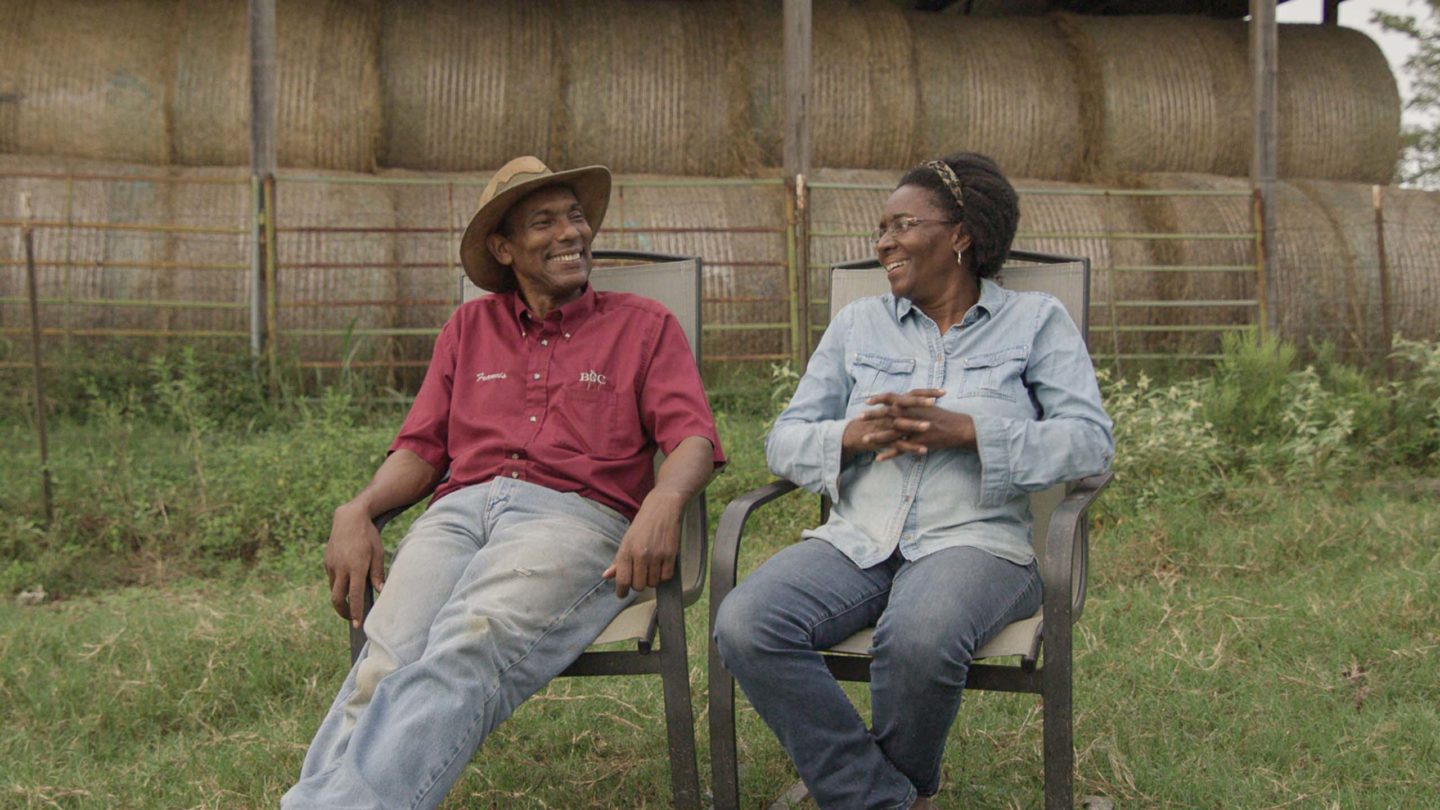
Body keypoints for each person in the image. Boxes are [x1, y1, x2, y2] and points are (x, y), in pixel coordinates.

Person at [283, 156, 725, 810]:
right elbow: (421, 448)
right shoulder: (469, 328)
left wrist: (664, 499)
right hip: (458, 514)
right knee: (385, 662)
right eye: (544, 222)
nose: (570, 233)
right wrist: (360, 507)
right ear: (504, 248)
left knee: (465, 643)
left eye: (576, 217)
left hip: (574, 520)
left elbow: (692, 435)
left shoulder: (643, 325)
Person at [713, 152, 1113, 809]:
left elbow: (1091, 442)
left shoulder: (1036, 322)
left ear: (960, 234)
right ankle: (881, 797)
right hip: (858, 540)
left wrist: (970, 433)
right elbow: (783, 440)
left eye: (902, 224)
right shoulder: (857, 325)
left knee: (920, 636)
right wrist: (850, 436)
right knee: (746, 622)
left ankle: (870, 795)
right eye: (880, 229)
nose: (884, 243)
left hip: (977, 545)